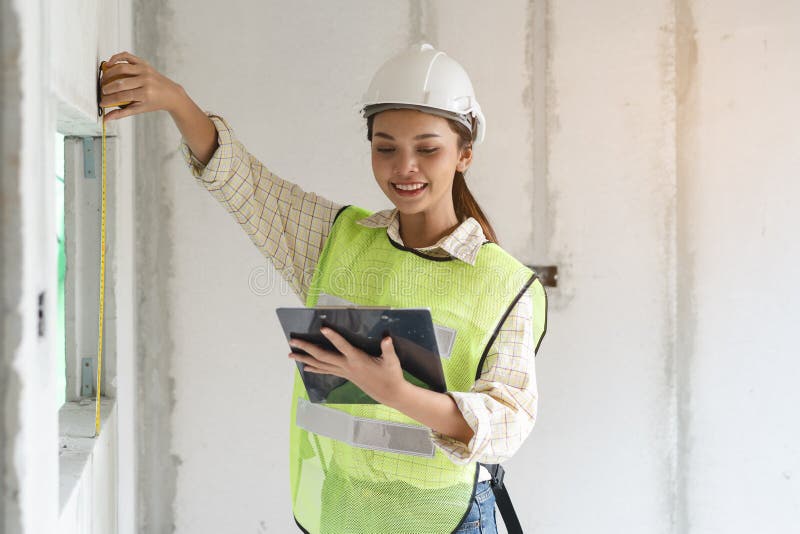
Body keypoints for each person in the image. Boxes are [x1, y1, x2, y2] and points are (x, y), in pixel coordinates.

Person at [100, 42, 547, 534]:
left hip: (445, 520)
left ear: (464, 154)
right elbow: (246, 184)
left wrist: (395, 392)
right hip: (341, 512)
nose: (405, 167)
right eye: (386, 147)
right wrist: (176, 101)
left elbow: (508, 423)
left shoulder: (506, 284)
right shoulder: (339, 240)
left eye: (428, 148)